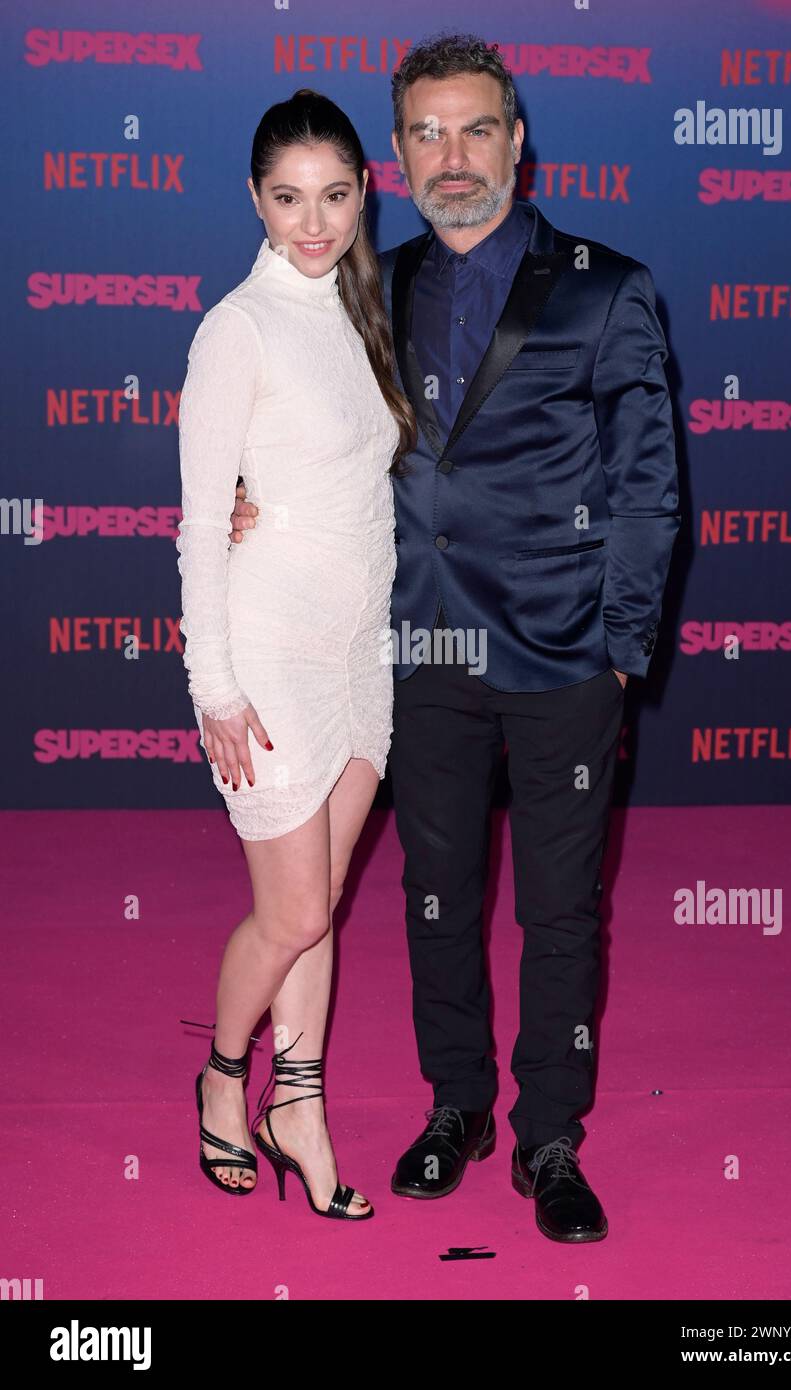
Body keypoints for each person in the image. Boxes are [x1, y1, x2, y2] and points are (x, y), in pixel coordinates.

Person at [230, 33, 680, 1244]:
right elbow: (304, 434)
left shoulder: (603, 286)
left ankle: (548, 1134)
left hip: (561, 654)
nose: (453, 155)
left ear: (518, 143)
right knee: (435, 893)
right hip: (413, 654)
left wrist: (620, 647)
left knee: (558, 908)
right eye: (426, 132)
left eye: (476, 128)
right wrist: (247, 500)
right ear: (398, 154)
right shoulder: (365, 282)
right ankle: (456, 1106)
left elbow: (646, 489)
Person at [176, 90, 415, 1220]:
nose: (310, 223)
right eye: (285, 199)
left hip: (357, 656)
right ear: (254, 200)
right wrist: (210, 684)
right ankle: (225, 1078)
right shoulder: (238, 326)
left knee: (323, 896)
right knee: (295, 914)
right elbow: (196, 520)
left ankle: (299, 1101)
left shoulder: (360, 306)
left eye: (331, 196)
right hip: (267, 656)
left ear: (364, 192)